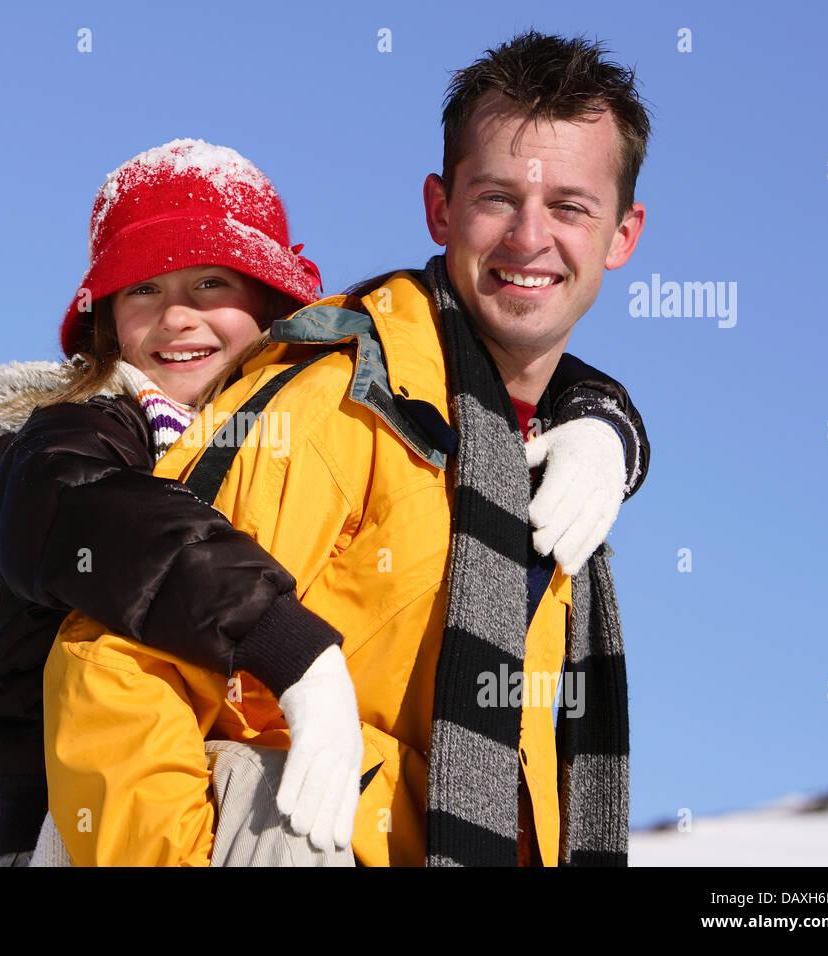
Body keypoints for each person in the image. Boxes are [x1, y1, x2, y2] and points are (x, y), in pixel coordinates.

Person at [40, 31, 650, 866]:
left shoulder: (550, 458)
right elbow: (111, 658)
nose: (529, 238)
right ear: (440, 208)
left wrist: (613, 425)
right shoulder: (348, 396)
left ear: (623, 236)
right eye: (497, 197)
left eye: (571, 206)